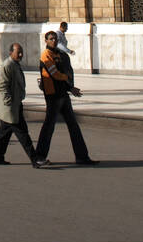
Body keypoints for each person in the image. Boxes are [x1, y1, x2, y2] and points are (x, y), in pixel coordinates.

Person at [35, 30, 97, 164]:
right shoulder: (46, 55)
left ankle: (82, 156)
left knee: (73, 126)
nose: (54, 41)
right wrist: (66, 78)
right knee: (49, 127)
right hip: (53, 96)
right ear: (46, 41)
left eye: (55, 39)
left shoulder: (58, 54)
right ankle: (39, 157)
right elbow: (54, 74)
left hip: (62, 95)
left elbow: (63, 72)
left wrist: (70, 87)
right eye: (51, 39)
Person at [0, 43, 48, 168]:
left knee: (4, 134)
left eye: (22, 52)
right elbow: (2, 86)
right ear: (11, 52)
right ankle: (35, 159)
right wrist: (9, 103)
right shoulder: (8, 65)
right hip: (11, 107)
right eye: (18, 52)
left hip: (15, 104)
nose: (21, 55)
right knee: (23, 133)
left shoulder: (14, 64)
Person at [55, 21, 75, 88]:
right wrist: (69, 51)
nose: (67, 29)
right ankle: (68, 85)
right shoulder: (58, 34)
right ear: (62, 27)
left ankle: (69, 85)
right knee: (66, 70)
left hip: (63, 53)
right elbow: (59, 45)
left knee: (68, 70)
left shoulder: (62, 34)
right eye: (66, 28)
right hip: (60, 54)